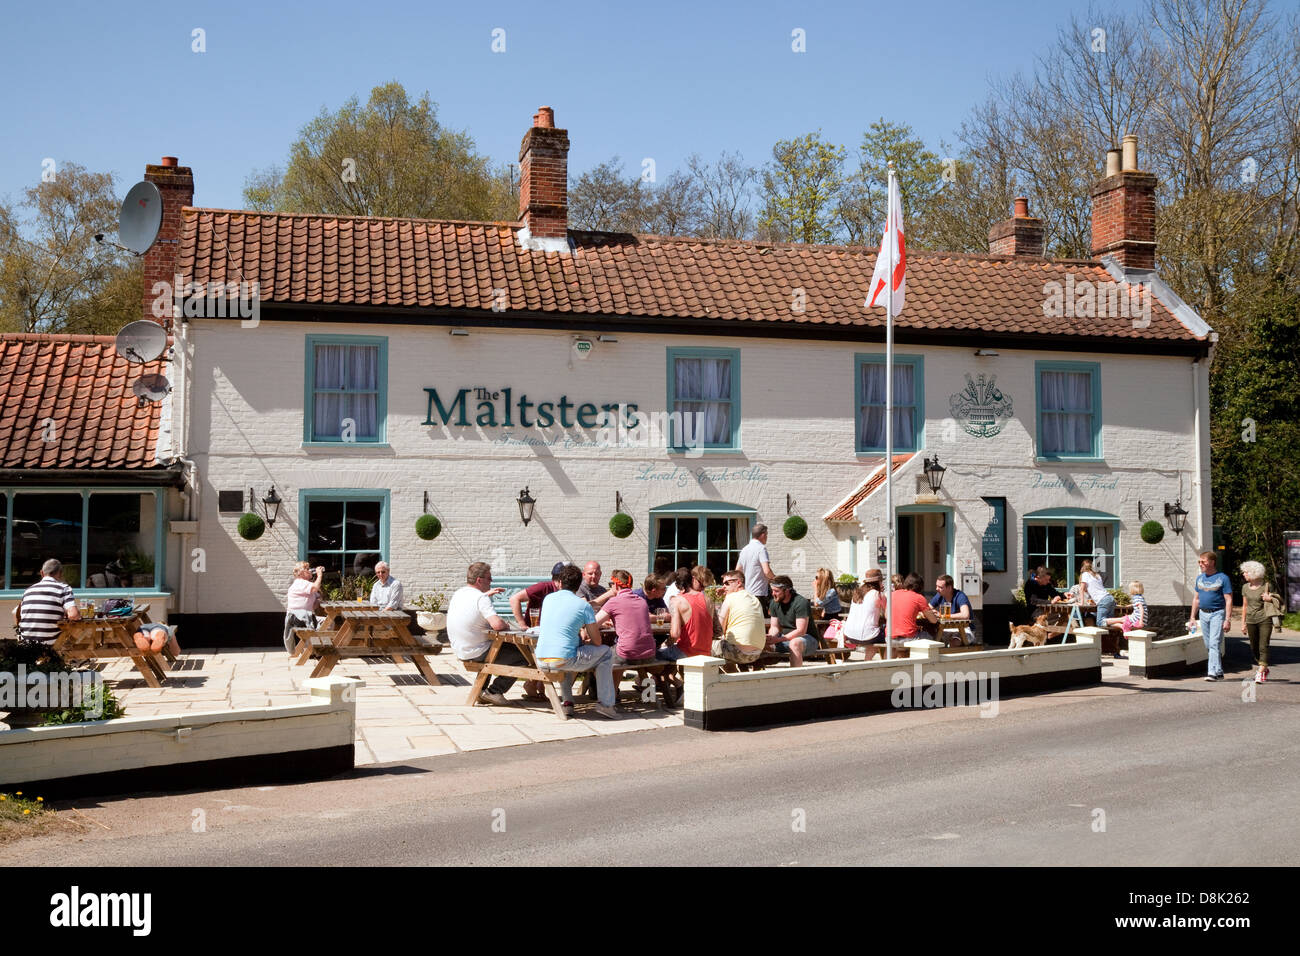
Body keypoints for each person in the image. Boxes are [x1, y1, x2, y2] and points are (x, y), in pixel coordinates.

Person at [534, 564, 620, 719]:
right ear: (580, 583)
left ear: (560, 582)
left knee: (569, 651)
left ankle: (568, 703)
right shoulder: (583, 605)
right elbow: (597, 641)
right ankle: (606, 704)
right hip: (562, 659)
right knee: (606, 653)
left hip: (540, 658)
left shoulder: (548, 599)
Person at [447, 561, 523, 706]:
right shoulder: (481, 599)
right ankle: (494, 691)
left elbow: (473, 602)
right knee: (523, 656)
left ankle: (481, 690)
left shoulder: (459, 593)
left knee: (493, 647)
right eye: (489, 578)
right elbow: (498, 625)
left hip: (461, 649)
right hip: (476, 651)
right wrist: (506, 624)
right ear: (479, 580)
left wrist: (486, 594)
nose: (492, 581)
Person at [1188, 551, 1233, 681]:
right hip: (1203, 613)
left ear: (1212, 562)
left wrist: (1227, 619)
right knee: (1209, 645)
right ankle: (1219, 671)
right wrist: (1192, 617)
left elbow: (1228, 600)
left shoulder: (1223, 578)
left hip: (1217, 614)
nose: (1200, 564)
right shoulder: (1199, 578)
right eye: (1199, 562)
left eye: (1203, 561)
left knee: (1214, 643)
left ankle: (1211, 672)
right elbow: (1196, 599)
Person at [595, 570, 656, 664]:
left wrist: (601, 625)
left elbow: (593, 623)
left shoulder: (614, 602)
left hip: (627, 653)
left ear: (615, 585)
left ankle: (597, 679)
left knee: (600, 657)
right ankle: (643, 678)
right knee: (626, 651)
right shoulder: (642, 601)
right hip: (649, 653)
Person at [14, 559, 80, 644]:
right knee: (75, 637)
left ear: (42, 573)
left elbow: (17, 614)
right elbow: (73, 615)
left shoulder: (28, 590)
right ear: (60, 573)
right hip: (50, 644)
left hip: (26, 643)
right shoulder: (64, 589)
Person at [713, 569, 766, 664]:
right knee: (724, 646)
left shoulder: (730, 598)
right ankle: (732, 676)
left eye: (727, 583)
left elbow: (719, 629)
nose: (723, 587)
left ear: (739, 582)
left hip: (737, 652)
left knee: (703, 646)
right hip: (756, 653)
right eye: (723, 584)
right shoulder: (755, 599)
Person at [1238, 561, 1279, 684]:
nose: (1244, 574)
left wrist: (1270, 598)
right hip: (1250, 619)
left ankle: (1261, 671)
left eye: (1245, 572)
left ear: (1253, 573)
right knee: (1253, 646)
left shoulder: (1267, 586)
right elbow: (1244, 606)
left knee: (1263, 645)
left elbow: (1277, 600)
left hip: (1264, 619)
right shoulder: (1245, 587)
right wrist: (1243, 623)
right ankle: (1264, 666)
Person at [767, 575, 817, 666]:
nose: (773, 593)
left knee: (794, 643)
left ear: (787, 590)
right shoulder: (774, 602)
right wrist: (771, 637)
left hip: (807, 639)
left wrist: (778, 639)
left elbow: (801, 631)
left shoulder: (801, 602)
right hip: (784, 638)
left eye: (776, 591)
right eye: (772, 590)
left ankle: (796, 676)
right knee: (761, 643)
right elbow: (774, 627)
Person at [889, 573, 940, 649]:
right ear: (920, 587)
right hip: (908, 639)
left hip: (889, 638)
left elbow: (887, 616)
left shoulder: (892, 595)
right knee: (934, 636)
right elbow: (933, 621)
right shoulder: (919, 598)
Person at [843, 570, 886, 657]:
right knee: (888, 634)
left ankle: (867, 661)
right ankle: (878, 661)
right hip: (867, 636)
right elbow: (888, 614)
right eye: (881, 581)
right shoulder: (878, 594)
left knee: (872, 633)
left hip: (850, 634)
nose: (882, 584)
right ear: (878, 582)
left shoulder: (857, 593)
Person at [282, 561, 323, 652]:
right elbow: (314, 588)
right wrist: (319, 575)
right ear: (300, 573)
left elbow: (315, 604)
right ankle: (313, 650)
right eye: (307, 569)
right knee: (327, 623)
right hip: (297, 618)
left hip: (303, 617)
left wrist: (319, 598)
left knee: (328, 622)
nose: (310, 570)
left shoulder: (305, 584)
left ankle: (313, 649)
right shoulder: (301, 583)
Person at [511, 562, 565, 629]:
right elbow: (514, 599)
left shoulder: (569, 591)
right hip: (535, 629)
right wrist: (522, 624)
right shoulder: (543, 587)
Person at [737, 524, 776, 613]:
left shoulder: (744, 549)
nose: (767, 537)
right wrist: (777, 580)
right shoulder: (761, 549)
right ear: (763, 535)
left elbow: (738, 570)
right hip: (759, 593)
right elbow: (766, 571)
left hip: (747, 593)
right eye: (766, 534)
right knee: (762, 623)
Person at [930, 574, 975, 646]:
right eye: (936, 586)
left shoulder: (960, 596)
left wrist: (943, 615)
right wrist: (932, 612)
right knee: (932, 641)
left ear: (949, 588)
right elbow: (927, 608)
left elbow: (965, 615)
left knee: (954, 642)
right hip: (945, 629)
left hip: (964, 630)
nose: (936, 589)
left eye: (940, 587)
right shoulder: (939, 595)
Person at [1079, 560, 1116, 627]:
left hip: (1103, 600)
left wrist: (1081, 603)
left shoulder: (1085, 574)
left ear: (1083, 568)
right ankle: (1123, 625)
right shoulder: (1097, 575)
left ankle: (1123, 619)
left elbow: (1081, 589)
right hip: (1109, 598)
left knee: (1100, 622)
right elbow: (1096, 588)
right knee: (1110, 622)